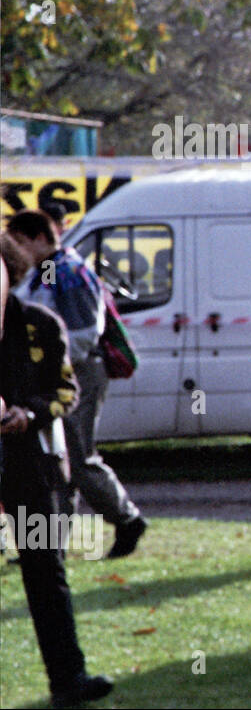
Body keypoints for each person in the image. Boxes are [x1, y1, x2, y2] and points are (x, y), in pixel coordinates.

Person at [1, 235, 114, 707]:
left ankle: (69, 679)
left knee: (45, 570)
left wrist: (29, 412)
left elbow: (66, 392)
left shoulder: (39, 325)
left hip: (32, 464)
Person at [6, 209, 148, 559]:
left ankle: (127, 519)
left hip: (80, 373)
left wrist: (51, 360)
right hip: (63, 374)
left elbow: (85, 332)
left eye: (20, 243)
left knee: (79, 458)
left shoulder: (69, 270)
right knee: (61, 462)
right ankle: (51, 544)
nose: (16, 252)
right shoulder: (49, 270)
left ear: (40, 238)